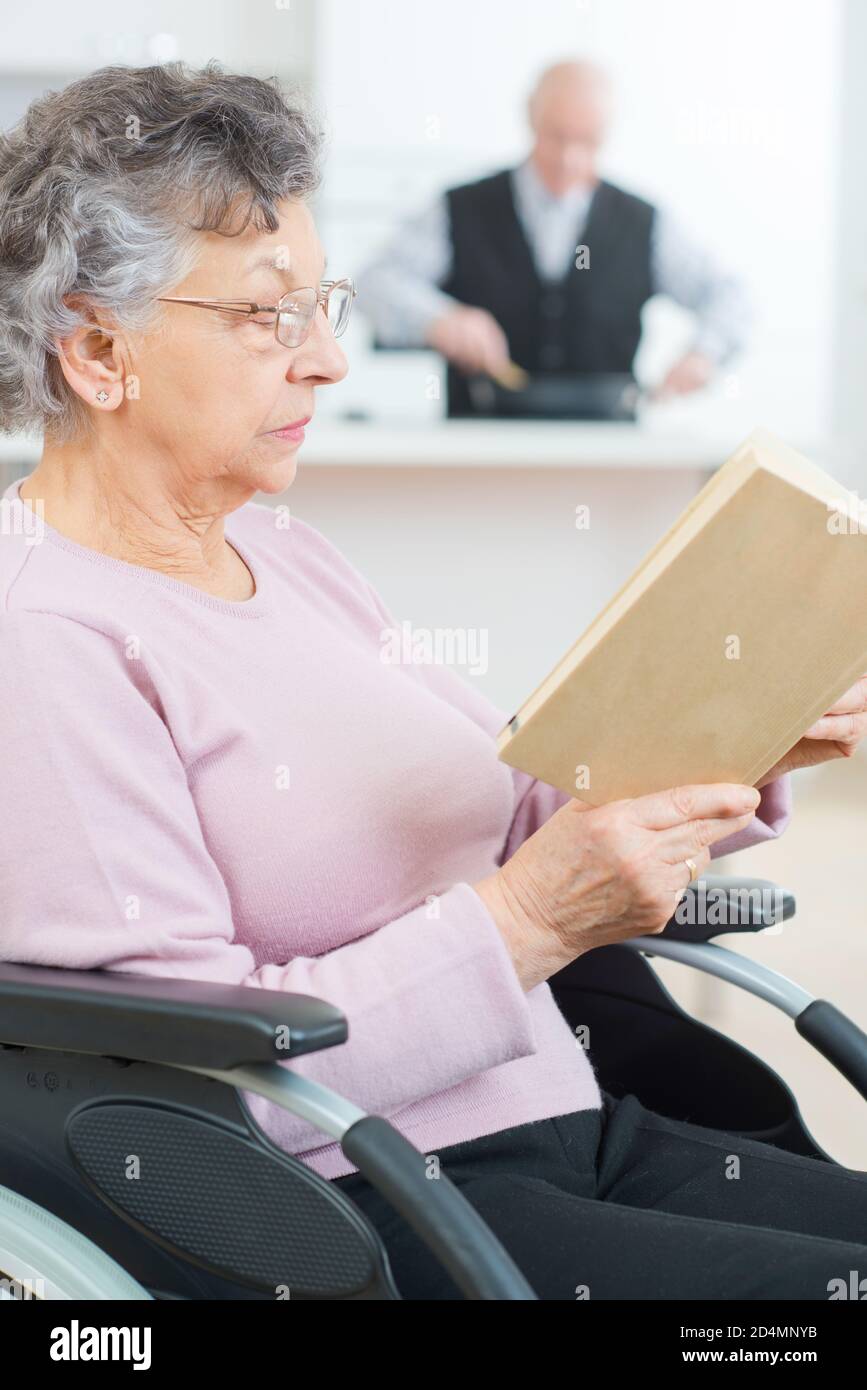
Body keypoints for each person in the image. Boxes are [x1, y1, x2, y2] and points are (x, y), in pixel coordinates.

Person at [0, 61, 865, 1302]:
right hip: (383, 1204)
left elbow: (509, 819)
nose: (331, 360)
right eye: (268, 316)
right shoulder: (47, 632)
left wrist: (737, 738)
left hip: (579, 1125)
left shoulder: (284, 552)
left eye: (324, 305)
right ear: (96, 350)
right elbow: (179, 1092)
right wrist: (533, 922)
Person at [357, 59, 752, 417]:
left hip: (611, 453)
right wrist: (438, 318)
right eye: (557, 136)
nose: (569, 158)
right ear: (531, 118)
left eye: (587, 142)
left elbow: (730, 296)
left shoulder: (645, 222)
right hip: (479, 449)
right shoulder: (461, 207)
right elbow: (373, 283)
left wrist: (703, 354)